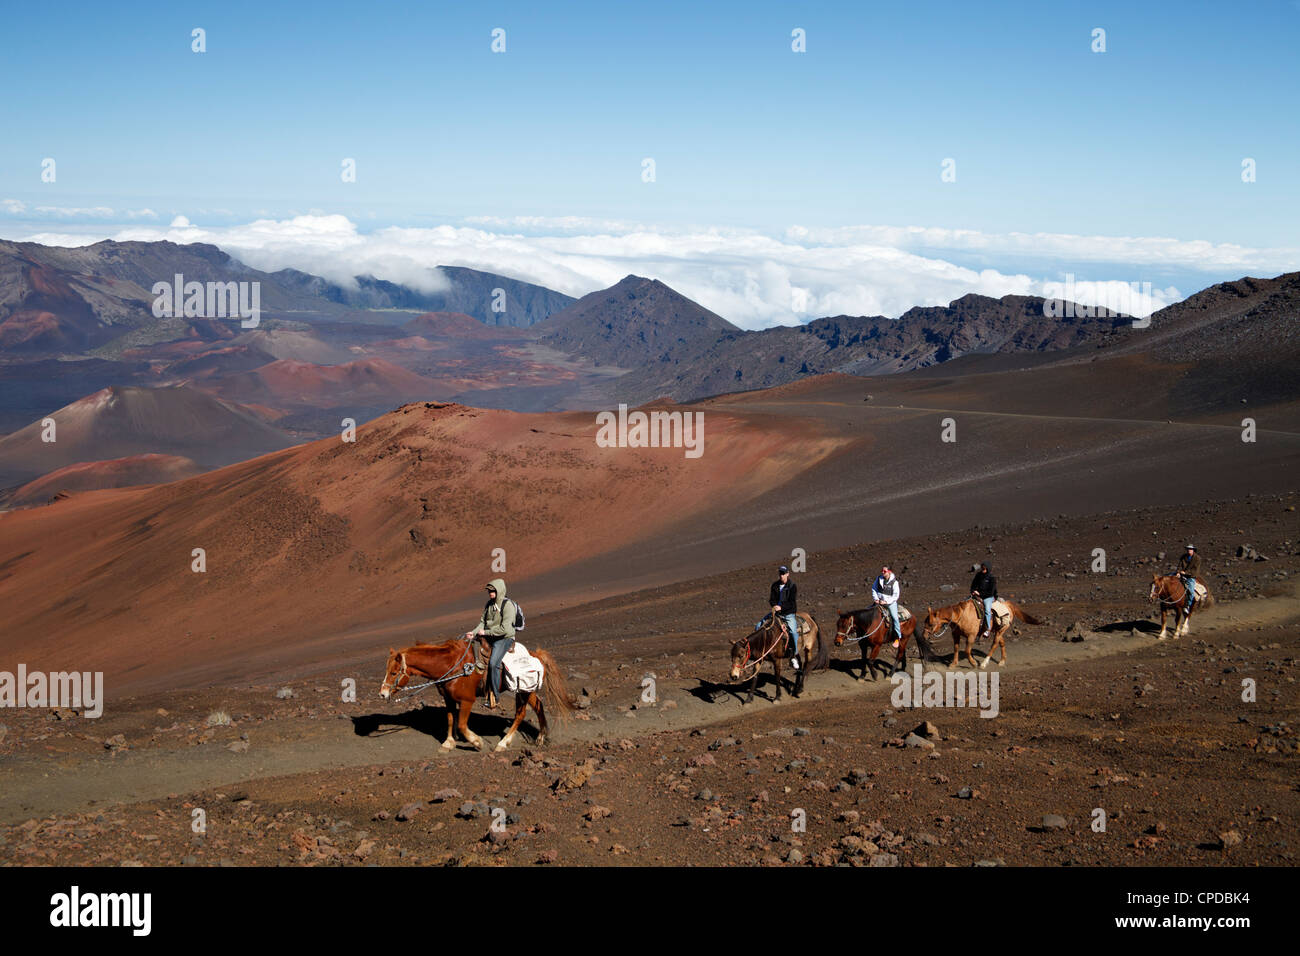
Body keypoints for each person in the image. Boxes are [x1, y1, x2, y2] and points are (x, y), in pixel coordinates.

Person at [464, 577, 516, 709]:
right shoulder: (489, 604)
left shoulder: (507, 605)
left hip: (503, 638)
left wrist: (486, 633)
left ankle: (495, 696)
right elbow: (482, 622)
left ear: (499, 591)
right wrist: (474, 632)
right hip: (489, 636)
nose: (490, 593)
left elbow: (505, 629)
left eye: (493, 591)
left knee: (493, 663)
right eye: (489, 591)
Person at [767, 565, 800, 670]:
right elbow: (771, 599)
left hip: (788, 614)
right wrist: (774, 606)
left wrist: (781, 607)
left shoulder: (792, 586)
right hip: (776, 613)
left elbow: (791, 603)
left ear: (788, 574)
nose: (781, 576)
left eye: (783, 573)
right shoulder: (775, 586)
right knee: (759, 625)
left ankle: (794, 655)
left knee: (794, 633)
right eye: (780, 573)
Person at [872, 565, 902, 647]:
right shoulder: (878, 579)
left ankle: (897, 637)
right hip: (879, 601)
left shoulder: (894, 582)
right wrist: (876, 598)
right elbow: (874, 588)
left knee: (895, 618)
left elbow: (896, 596)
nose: (882, 572)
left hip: (890, 603)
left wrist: (886, 602)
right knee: (868, 611)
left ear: (889, 572)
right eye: (882, 570)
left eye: (884, 571)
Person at [970, 562, 998, 638]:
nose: (982, 570)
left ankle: (988, 629)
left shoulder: (992, 578)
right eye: (982, 568)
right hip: (977, 595)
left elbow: (991, 592)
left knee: (987, 611)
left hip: (988, 597)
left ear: (988, 569)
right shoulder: (978, 575)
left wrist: (980, 594)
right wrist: (973, 591)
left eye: (984, 569)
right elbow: (973, 585)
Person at [1176, 544, 1200, 614]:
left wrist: (1185, 573)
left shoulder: (1197, 558)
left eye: (1190, 549)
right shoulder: (1183, 557)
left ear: (1193, 550)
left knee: (1191, 592)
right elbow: (1179, 565)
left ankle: (1187, 605)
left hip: (1191, 576)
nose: (1189, 550)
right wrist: (1178, 572)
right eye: (1188, 549)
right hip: (1181, 573)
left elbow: (1195, 569)